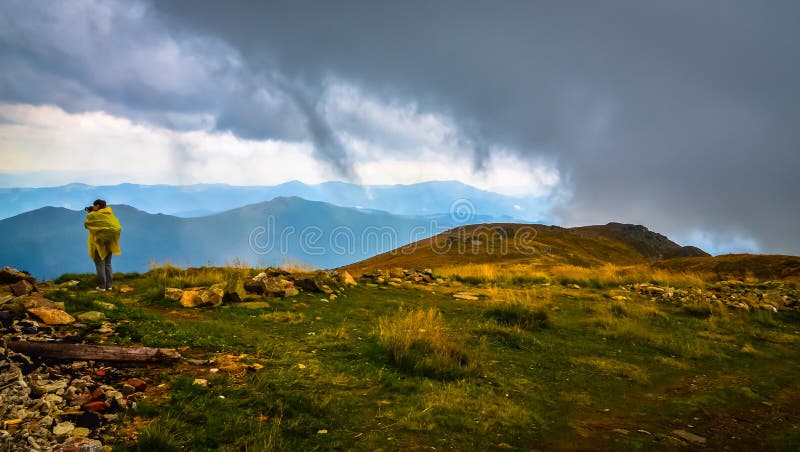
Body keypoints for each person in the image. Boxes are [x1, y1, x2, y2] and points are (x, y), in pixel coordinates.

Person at [84, 199, 122, 292]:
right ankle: (109, 286)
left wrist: (89, 213)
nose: (93, 207)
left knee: (99, 265)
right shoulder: (110, 214)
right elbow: (117, 227)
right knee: (108, 265)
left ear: (97, 206)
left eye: (94, 205)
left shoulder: (94, 215)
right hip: (109, 244)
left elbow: (87, 224)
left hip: (99, 244)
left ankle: (102, 287)